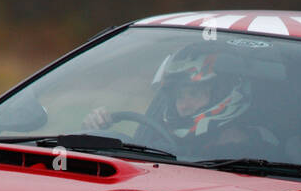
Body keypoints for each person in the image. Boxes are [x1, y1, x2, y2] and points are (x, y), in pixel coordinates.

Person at [83, 44, 274, 155]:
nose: (183, 105)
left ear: (224, 93)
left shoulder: (262, 148)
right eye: (179, 96)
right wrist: (92, 130)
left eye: (194, 94)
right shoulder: (161, 139)